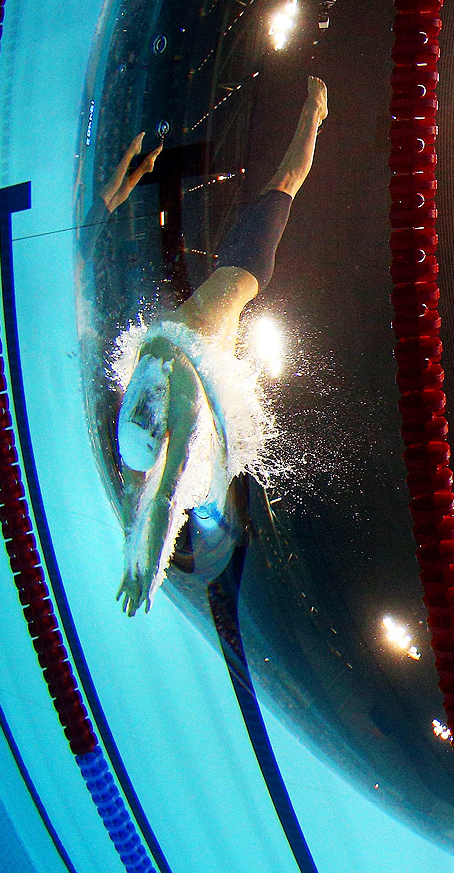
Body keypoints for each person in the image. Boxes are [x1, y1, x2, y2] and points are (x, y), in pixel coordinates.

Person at [104, 76, 325, 614]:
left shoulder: (175, 380)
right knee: (276, 187)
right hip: (227, 272)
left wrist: (148, 569)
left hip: (247, 266)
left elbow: (164, 493)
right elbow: (149, 494)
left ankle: (314, 109)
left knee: (288, 178)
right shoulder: (145, 370)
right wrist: (135, 559)